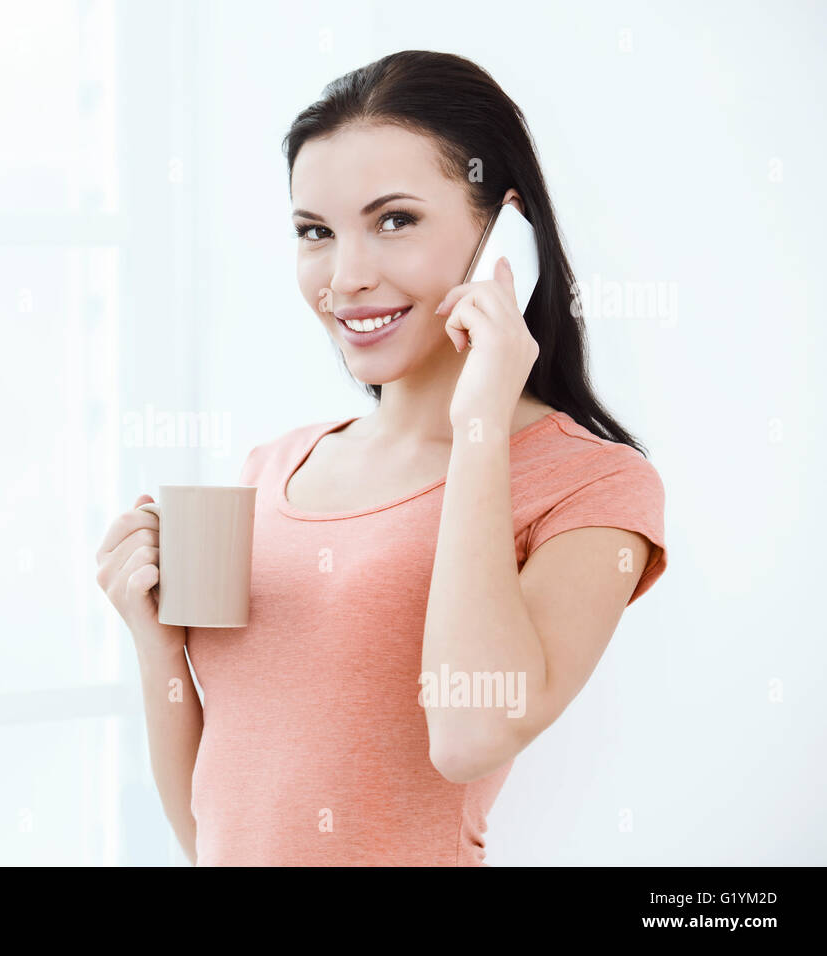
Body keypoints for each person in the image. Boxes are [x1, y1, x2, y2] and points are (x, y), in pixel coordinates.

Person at [95, 50, 667, 866]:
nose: (347, 277)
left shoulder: (593, 486)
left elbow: (469, 735)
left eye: (395, 220)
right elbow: (212, 832)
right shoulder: (270, 470)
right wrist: (157, 645)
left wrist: (480, 422)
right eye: (316, 234)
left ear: (505, 232)